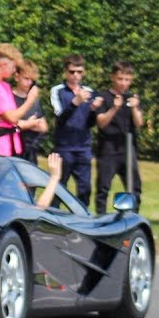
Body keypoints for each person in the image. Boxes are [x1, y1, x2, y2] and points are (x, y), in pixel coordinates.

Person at [90, 61, 144, 214]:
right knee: (103, 186)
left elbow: (139, 123)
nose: (123, 83)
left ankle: (132, 217)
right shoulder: (103, 97)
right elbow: (101, 123)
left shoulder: (132, 97)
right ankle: (101, 218)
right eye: (120, 79)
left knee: (134, 186)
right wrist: (114, 107)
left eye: (127, 79)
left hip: (128, 148)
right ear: (112, 77)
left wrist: (134, 107)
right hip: (108, 149)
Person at [49, 54, 97, 208]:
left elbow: (90, 123)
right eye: (72, 72)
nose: (76, 75)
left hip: (83, 146)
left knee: (85, 188)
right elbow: (59, 120)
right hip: (64, 147)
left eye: (79, 72)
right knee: (59, 186)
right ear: (65, 72)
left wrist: (94, 111)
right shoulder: (58, 91)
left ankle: (82, 220)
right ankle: (53, 219)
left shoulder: (89, 91)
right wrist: (75, 102)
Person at [0, 43, 40, 156]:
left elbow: (12, 118)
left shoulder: (5, 86)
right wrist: (30, 99)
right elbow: (12, 117)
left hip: (12, 145)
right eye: (13, 67)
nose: (14, 71)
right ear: (4, 65)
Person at [12, 59, 49, 163]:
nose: (29, 83)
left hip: (31, 150)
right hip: (14, 149)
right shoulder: (9, 97)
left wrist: (26, 124)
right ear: (17, 76)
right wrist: (30, 124)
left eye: (31, 80)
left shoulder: (34, 99)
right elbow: (9, 124)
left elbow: (44, 127)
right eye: (26, 78)